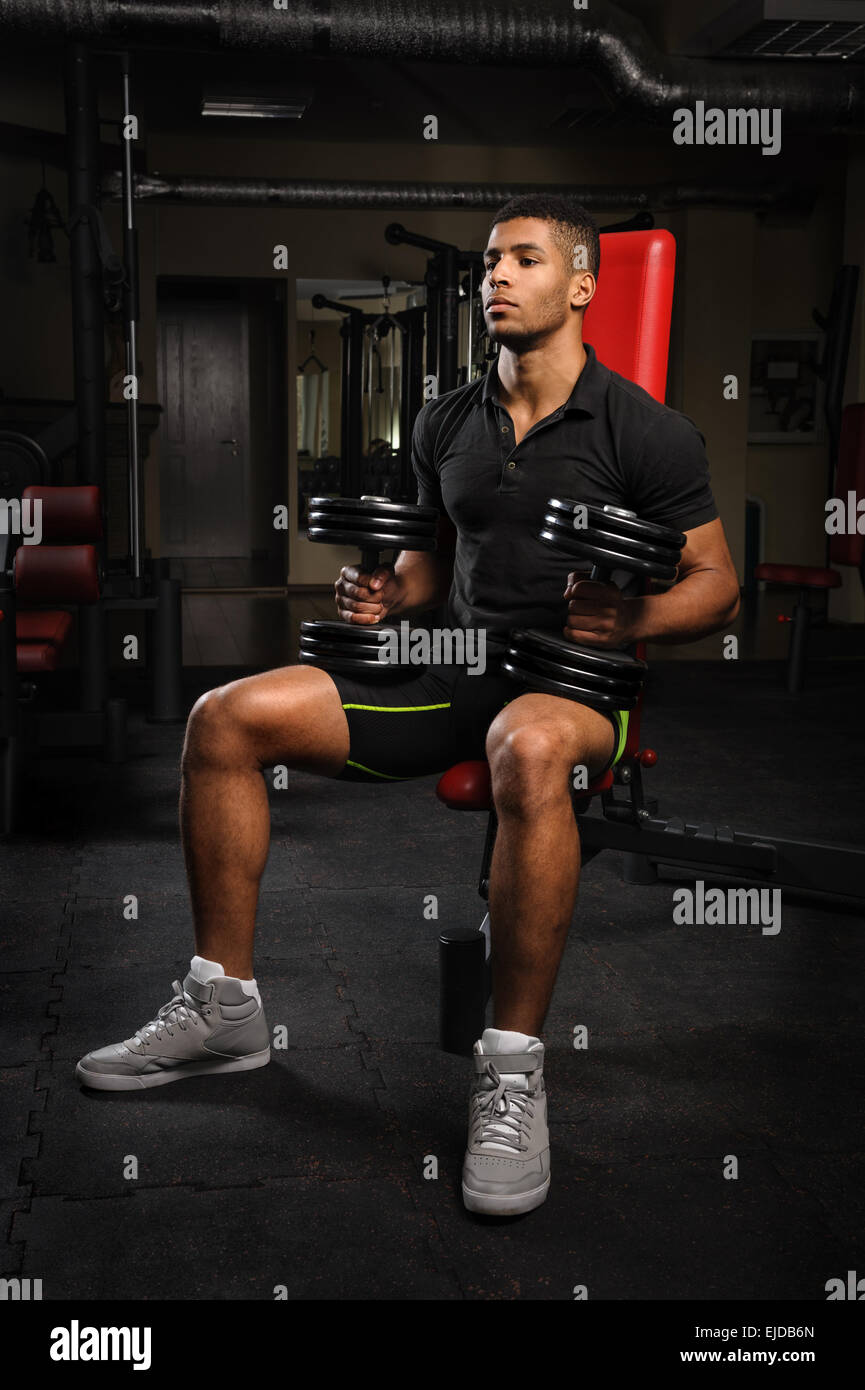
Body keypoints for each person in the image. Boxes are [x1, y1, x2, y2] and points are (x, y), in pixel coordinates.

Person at [76, 195, 740, 1217]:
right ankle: (224, 1008)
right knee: (222, 717)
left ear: (579, 286)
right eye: (488, 263)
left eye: (523, 260)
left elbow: (715, 581)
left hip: (572, 685)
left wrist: (634, 611)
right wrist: (392, 595)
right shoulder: (445, 420)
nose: (496, 278)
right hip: (454, 666)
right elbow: (432, 564)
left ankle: (511, 1069)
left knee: (523, 745)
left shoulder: (647, 430)